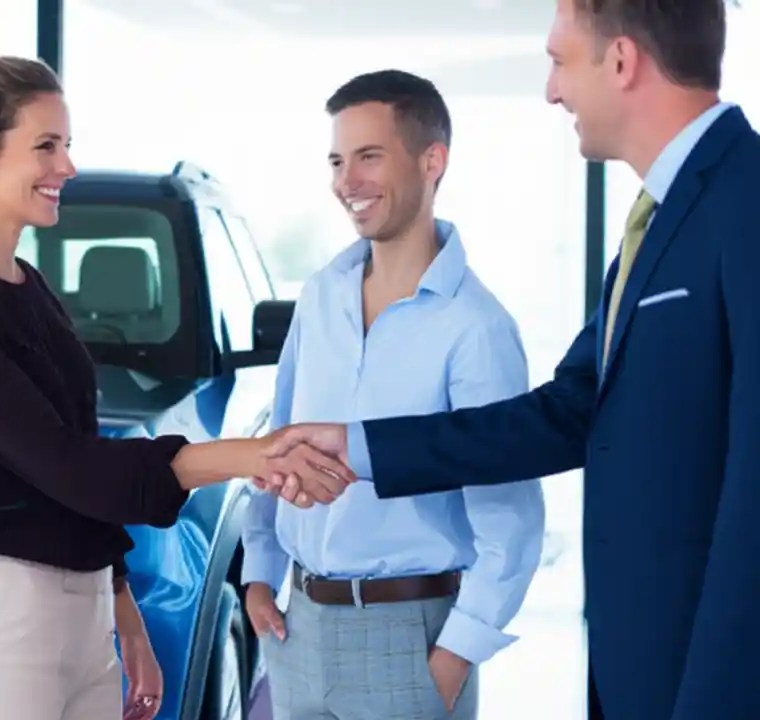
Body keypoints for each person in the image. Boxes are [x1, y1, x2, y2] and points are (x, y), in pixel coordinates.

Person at [262, 2, 760, 718]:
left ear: (621, 62)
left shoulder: (745, 201)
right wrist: (360, 445)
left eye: (560, 61)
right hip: (639, 664)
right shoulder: (656, 226)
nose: (551, 91)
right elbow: (567, 412)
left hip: (704, 677)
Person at [0, 56, 351, 720]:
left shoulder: (29, 288)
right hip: (4, 630)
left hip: (84, 624)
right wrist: (254, 455)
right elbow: (74, 469)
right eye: (46, 146)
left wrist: (124, 615)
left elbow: (73, 473)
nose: (67, 167)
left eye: (67, 145)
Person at [241, 70, 545, 720]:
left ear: (432, 161)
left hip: (411, 636)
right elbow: (281, 440)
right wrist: (259, 571)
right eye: (336, 160)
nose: (345, 182)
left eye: (368, 157)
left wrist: (450, 659)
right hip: (299, 628)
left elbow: (511, 518)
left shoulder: (477, 328)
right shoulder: (321, 296)